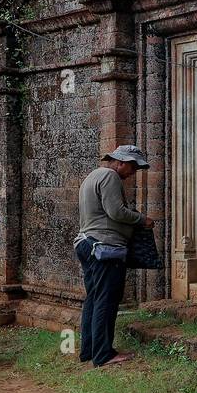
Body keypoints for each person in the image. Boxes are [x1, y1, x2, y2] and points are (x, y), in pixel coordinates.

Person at [75, 144, 154, 367]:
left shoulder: (93, 175)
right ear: (120, 162)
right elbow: (115, 211)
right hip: (104, 248)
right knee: (106, 301)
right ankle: (103, 354)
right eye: (132, 166)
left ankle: (89, 351)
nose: (133, 172)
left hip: (88, 244)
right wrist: (141, 219)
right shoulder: (110, 176)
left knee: (94, 299)